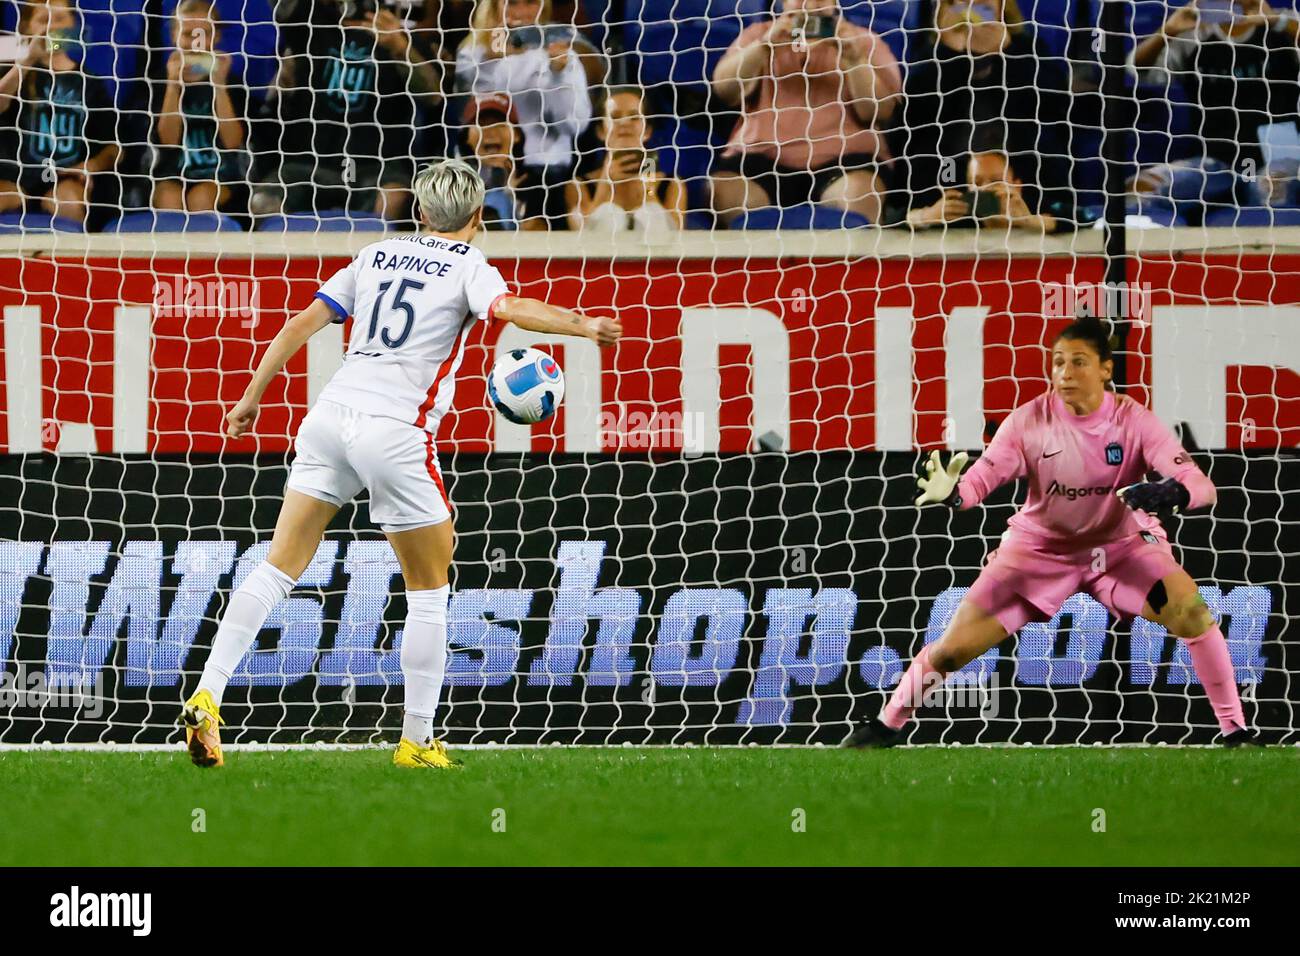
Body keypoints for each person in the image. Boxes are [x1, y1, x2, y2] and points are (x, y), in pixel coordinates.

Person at [182, 159, 622, 769]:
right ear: (477, 218)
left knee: (279, 565)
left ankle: (209, 690)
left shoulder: (376, 254)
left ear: (418, 213)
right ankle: (415, 740)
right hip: (395, 430)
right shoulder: (471, 265)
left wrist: (250, 398)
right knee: (429, 588)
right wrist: (583, 325)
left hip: (330, 417)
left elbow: (300, 323)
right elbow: (511, 310)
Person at [843, 318, 1256, 748]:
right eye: (1058, 362)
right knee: (951, 651)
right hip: (1039, 553)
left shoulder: (1133, 420)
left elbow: (1201, 485)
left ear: (1106, 369)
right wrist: (955, 495)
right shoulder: (1029, 423)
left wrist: (1173, 491)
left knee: (1191, 611)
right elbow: (983, 477)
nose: (1065, 372)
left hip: (1118, 550)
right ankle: (886, 725)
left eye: (1079, 362)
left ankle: (1236, 731)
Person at [709, 0, 901, 226]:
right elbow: (724, 90)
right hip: (760, 157)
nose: (809, 4)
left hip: (845, 160)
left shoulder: (864, 40)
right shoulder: (758, 34)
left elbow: (880, 111)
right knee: (728, 193)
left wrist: (854, 60)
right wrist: (763, 46)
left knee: (859, 195)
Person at [890, 0, 1077, 232]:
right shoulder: (933, 55)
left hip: (1022, 179)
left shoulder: (1027, 48)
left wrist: (1008, 52)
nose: (974, 6)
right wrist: (951, 52)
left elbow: (1055, 109)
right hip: (948, 181)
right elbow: (911, 121)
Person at [249, 0, 440, 222]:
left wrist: (400, 47)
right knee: (262, 202)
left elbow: (433, 95)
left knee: (393, 198)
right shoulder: (308, 22)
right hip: (309, 163)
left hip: (376, 165)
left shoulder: (400, 34)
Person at [1130, 0, 1300, 219]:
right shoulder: (1193, 33)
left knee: (1272, 189)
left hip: (1276, 156)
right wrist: (1168, 30)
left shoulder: (1284, 22)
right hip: (1215, 159)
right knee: (1139, 188)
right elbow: (1135, 71)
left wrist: (1279, 22)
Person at [454, 0, 604, 227]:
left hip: (547, 173)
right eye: (513, 3)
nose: (522, 12)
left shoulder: (563, 53)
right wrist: (491, 58)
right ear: (494, 6)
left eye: (531, 2)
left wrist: (558, 75)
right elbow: (468, 109)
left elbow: (575, 125)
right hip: (487, 171)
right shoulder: (473, 52)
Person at [0, 0, 118, 225]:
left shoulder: (89, 81)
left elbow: (114, 147)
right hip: (12, 180)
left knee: (68, 201)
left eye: (61, 19)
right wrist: (25, 63)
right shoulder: (10, 73)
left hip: (65, 180)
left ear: (73, 25)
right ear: (27, 28)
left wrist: (91, 165)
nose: (52, 27)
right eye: (44, 20)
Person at [153, 0, 247, 213]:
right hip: (174, 173)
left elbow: (233, 142)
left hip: (220, 174)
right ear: (173, 35)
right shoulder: (156, 83)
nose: (196, 42)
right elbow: (168, 141)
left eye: (203, 33)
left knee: (201, 197)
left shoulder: (233, 83)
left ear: (217, 36)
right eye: (188, 34)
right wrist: (172, 85)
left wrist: (220, 86)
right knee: (168, 198)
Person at [565, 85, 686, 236]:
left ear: (647, 131)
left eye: (634, 117)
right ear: (601, 131)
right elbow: (579, 231)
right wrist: (605, 184)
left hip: (653, 257)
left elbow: (677, 236)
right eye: (615, 117)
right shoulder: (579, 185)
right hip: (601, 257)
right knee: (608, 214)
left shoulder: (672, 185)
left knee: (650, 212)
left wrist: (648, 190)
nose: (625, 123)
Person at [461, 92, 536, 230]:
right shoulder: (453, 184)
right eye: (481, 124)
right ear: (466, 137)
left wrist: (512, 196)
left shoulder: (537, 183)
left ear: (517, 134)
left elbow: (542, 234)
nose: (490, 131)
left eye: (500, 123)